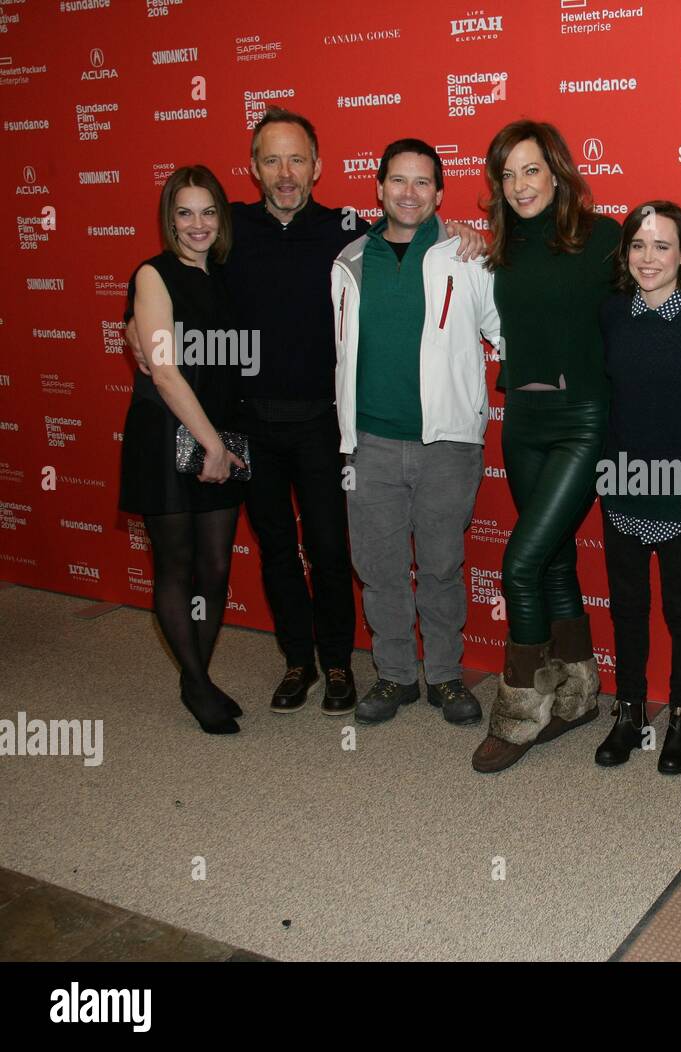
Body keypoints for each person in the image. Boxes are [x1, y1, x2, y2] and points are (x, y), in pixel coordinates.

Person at [128, 109, 485, 718]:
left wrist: (467, 235)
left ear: (318, 166)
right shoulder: (228, 229)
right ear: (254, 167)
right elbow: (171, 278)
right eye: (272, 160)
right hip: (249, 422)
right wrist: (133, 324)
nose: (286, 173)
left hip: (326, 421)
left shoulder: (345, 236)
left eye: (298, 160)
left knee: (331, 548)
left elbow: (417, 234)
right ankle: (299, 661)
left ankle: (342, 664)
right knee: (274, 549)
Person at [331, 139, 500, 726]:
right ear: (378, 188)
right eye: (398, 181)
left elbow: (509, 335)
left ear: (440, 193)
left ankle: (447, 677)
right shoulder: (348, 262)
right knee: (377, 570)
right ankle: (396, 676)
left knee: (442, 566)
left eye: (422, 182)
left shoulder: (469, 258)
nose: (409, 193)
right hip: (370, 445)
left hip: (448, 446)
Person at [470, 120, 621, 774]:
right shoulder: (500, 247)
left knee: (522, 565)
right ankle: (580, 693)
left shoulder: (603, 237)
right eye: (507, 175)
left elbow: (654, 303)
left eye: (531, 170)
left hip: (584, 418)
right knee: (555, 562)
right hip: (524, 416)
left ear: (557, 172)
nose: (520, 185)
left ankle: (519, 711)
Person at [594, 202, 681, 774]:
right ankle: (628, 710)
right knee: (627, 606)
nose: (649, 258)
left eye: (662, 246)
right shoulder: (611, 314)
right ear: (625, 254)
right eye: (639, 246)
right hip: (622, 481)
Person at [119, 166, 246, 735]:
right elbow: (165, 373)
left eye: (208, 212)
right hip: (169, 430)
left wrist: (222, 443)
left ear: (221, 218)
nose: (198, 224)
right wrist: (211, 445)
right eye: (185, 213)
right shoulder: (153, 274)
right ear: (170, 219)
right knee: (175, 564)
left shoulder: (226, 274)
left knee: (216, 566)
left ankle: (200, 673)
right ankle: (196, 683)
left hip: (223, 430)